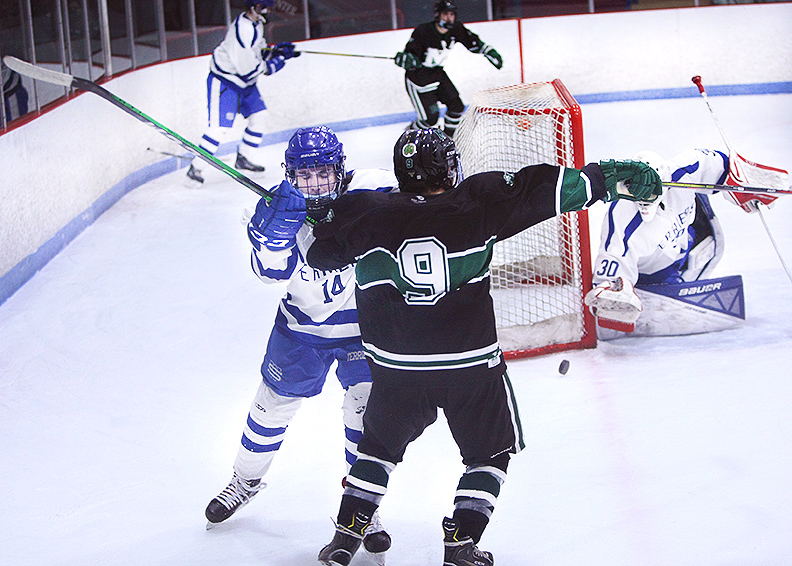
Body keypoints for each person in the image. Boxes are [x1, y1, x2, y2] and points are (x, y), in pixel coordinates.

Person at [306, 128, 662, 566]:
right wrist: (611, 177)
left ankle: (346, 535)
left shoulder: (361, 212)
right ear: (446, 168)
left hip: (397, 369)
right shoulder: (478, 202)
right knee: (489, 454)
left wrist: (313, 217)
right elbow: (547, 190)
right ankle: (460, 540)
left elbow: (318, 255)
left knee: (377, 449)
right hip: (470, 366)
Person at [204, 126, 396, 558]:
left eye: (323, 174)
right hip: (301, 328)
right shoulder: (275, 208)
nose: (314, 185)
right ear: (290, 175)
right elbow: (269, 273)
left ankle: (362, 506)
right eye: (304, 176)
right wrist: (271, 235)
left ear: (340, 169)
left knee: (365, 412)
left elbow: (416, 196)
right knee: (269, 410)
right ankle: (245, 481)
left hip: (364, 326)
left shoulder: (371, 187)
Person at [585, 148, 779, 334]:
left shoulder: (682, 172)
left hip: (691, 244)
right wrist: (615, 294)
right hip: (656, 278)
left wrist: (745, 182)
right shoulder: (621, 219)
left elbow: (721, 164)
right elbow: (609, 278)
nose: (643, 202)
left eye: (649, 194)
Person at [186, 0, 299, 185]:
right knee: (219, 130)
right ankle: (196, 168)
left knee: (260, 116)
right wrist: (277, 62)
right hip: (225, 82)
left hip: (245, 83)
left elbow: (257, 51)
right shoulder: (243, 29)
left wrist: (275, 51)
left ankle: (243, 158)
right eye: (265, 6)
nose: (269, 10)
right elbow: (250, 68)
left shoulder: (256, 23)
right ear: (255, 6)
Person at [394, 0, 502, 138]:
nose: (449, 18)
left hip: (437, 74)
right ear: (437, 15)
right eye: (445, 14)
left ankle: (448, 140)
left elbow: (472, 42)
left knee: (457, 108)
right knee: (429, 119)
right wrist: (408, 59)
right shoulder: (423, 31)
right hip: (419, 80)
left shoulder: (456, 29)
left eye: (452, 14)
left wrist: (489, 51)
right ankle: (408, 138)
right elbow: (410, 53)